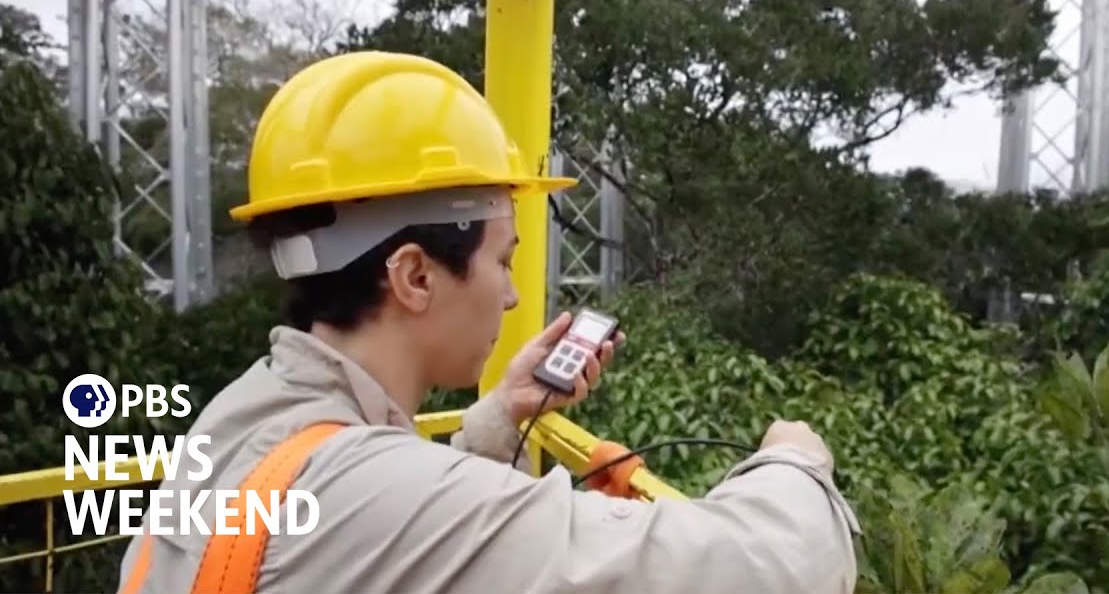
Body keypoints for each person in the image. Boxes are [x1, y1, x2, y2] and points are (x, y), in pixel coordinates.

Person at [115, 51, 860, 594]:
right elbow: (769, 571)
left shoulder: (244, 417)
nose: (510, 297)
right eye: (503, 261)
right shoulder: (369, 496)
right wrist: (794, 464)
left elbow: (394, 537)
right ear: (414, 276)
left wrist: (499, 418)